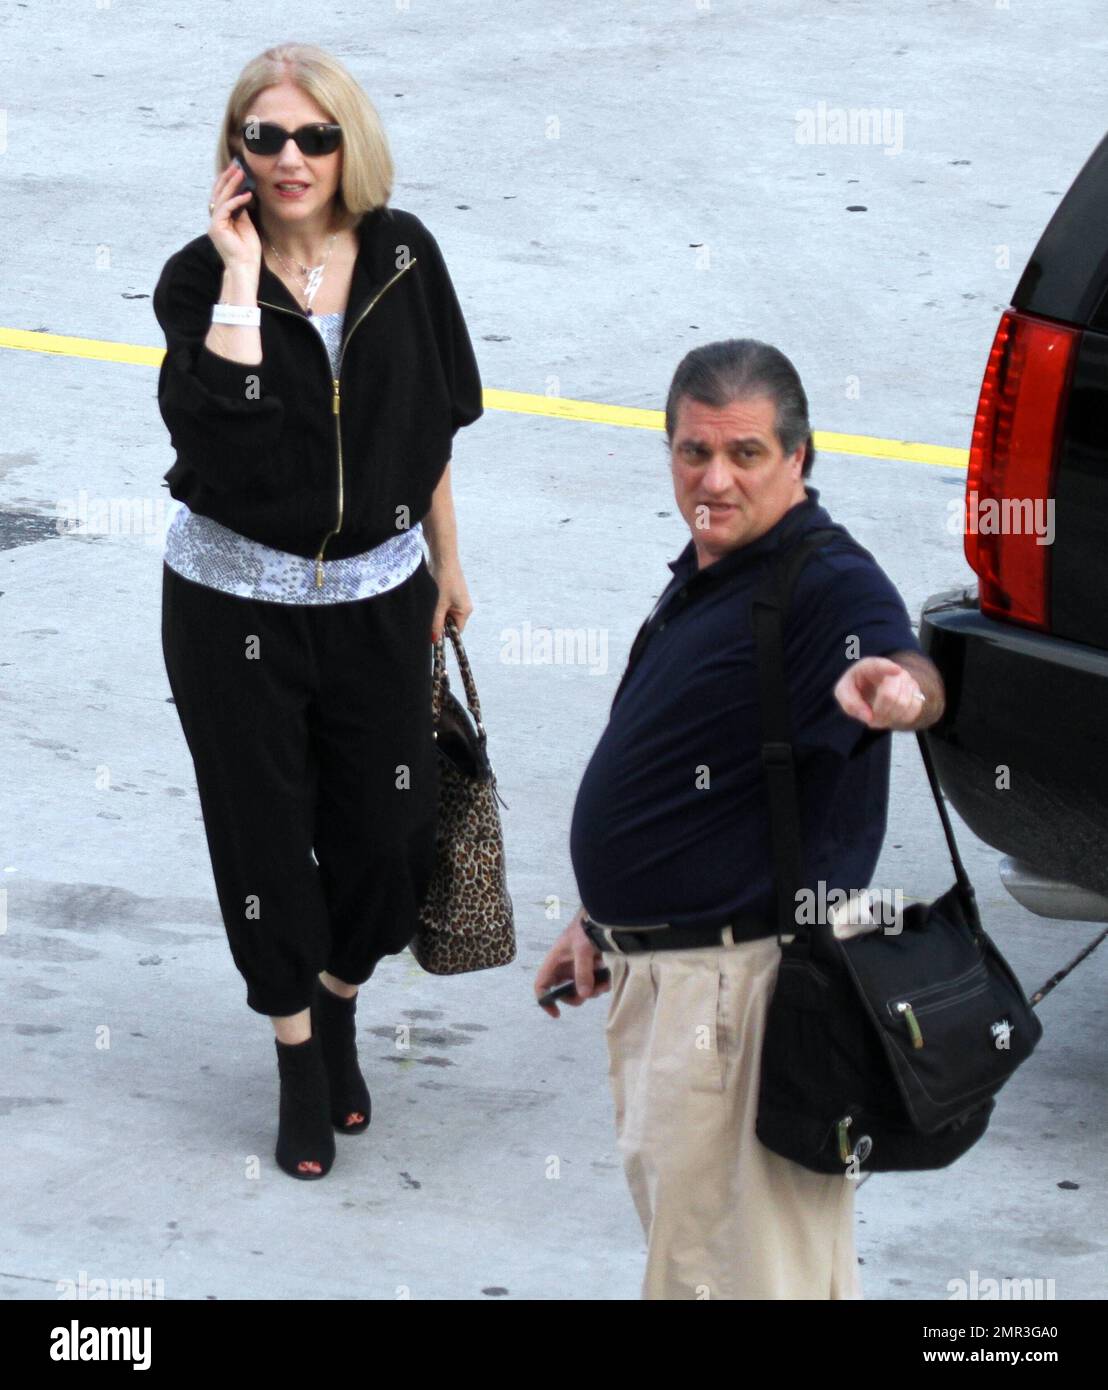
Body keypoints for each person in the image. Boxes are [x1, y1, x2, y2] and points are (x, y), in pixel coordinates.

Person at [534, 338, 946, 1298]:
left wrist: (899, 692)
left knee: (745, 1279)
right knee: (700, 1263)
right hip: (669, 976)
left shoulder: (825, 583)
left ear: (799, 458)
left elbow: (904, 662)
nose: (712, 480)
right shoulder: (720, 566)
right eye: (692, 452)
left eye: (746, 454)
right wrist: (606, 922)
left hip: (739, 1003)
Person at [153, 43, 483, 1180]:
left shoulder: (404, 255)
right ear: (235, 154)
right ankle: (298, 1050)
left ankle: (340, 995)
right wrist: (243, 277)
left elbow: (433, 423)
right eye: (266, 137)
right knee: (261, 842)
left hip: (380, 602)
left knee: (388, 840)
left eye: (314, 136)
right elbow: (224, 439)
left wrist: (447, 563)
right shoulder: (195, 283)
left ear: (351, 143)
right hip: (230, 602)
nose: (291, 159)